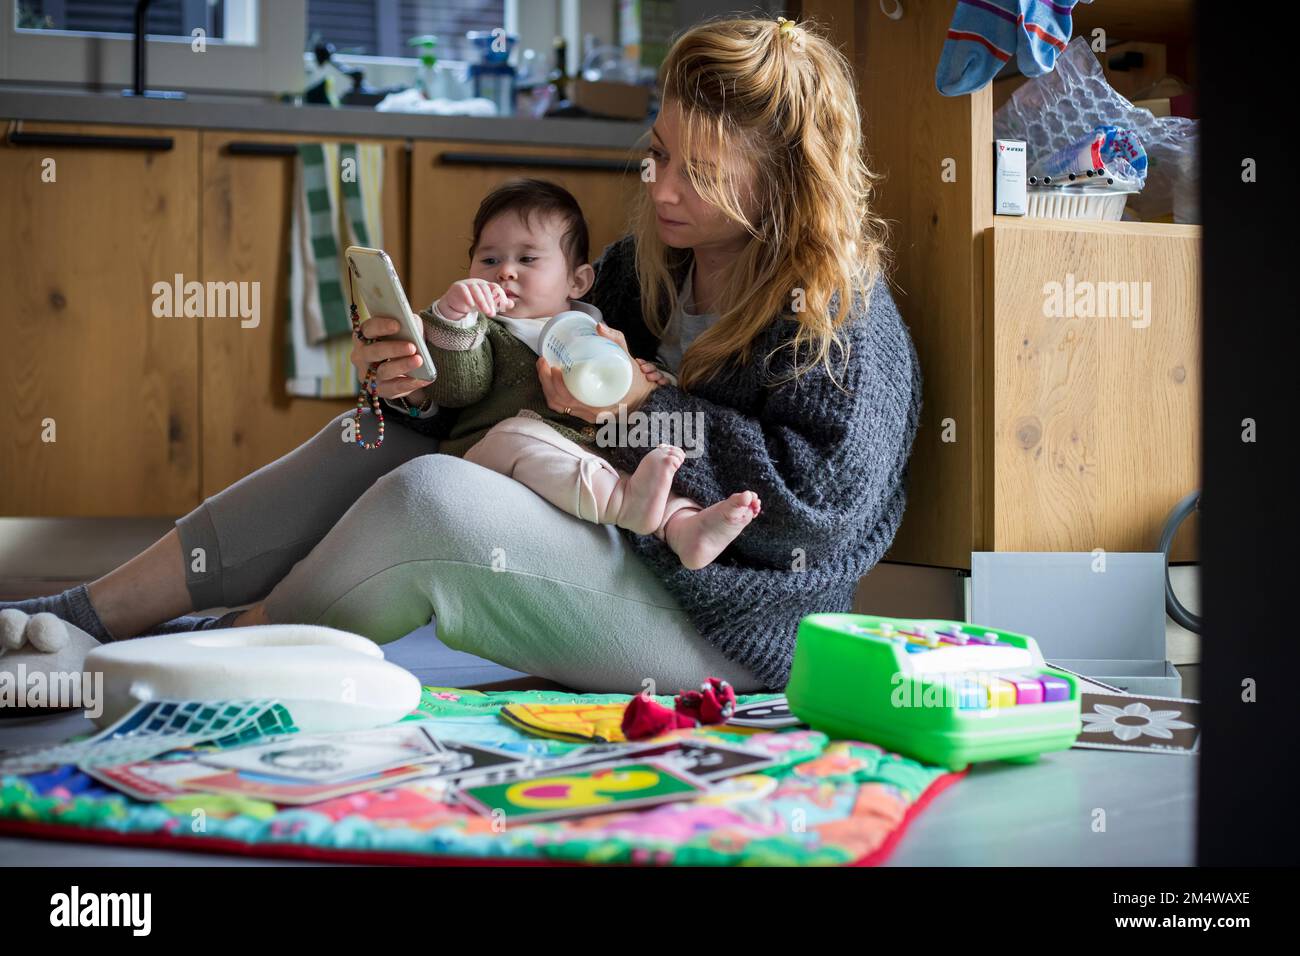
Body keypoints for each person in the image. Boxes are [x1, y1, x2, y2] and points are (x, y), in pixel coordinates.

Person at [0, 15, 921, 694]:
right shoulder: (650, 267)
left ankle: (185, 661)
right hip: (613, 536)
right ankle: (86, 614)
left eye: (700, 171)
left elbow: (812, 513)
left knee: (435, 501)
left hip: (726, 627)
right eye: (659, 155)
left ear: (788, 175)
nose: (661, 186)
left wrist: (638, 411)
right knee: (377, 439)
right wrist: (421, 383)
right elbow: (518, 398)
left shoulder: (839, 316)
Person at [409, 177, 762, 571]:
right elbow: (459, 388)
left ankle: (685, 529)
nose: (505, 272)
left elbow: (624, 386)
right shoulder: (486, 330)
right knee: (517, 435)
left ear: (577, 281)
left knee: (645, 464)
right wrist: (454, 317)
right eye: (489, 260)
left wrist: (655, 380)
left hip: (586, 464)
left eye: (527, 259)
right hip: (489, 461)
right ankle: (623, 502)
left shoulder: (592, 328)